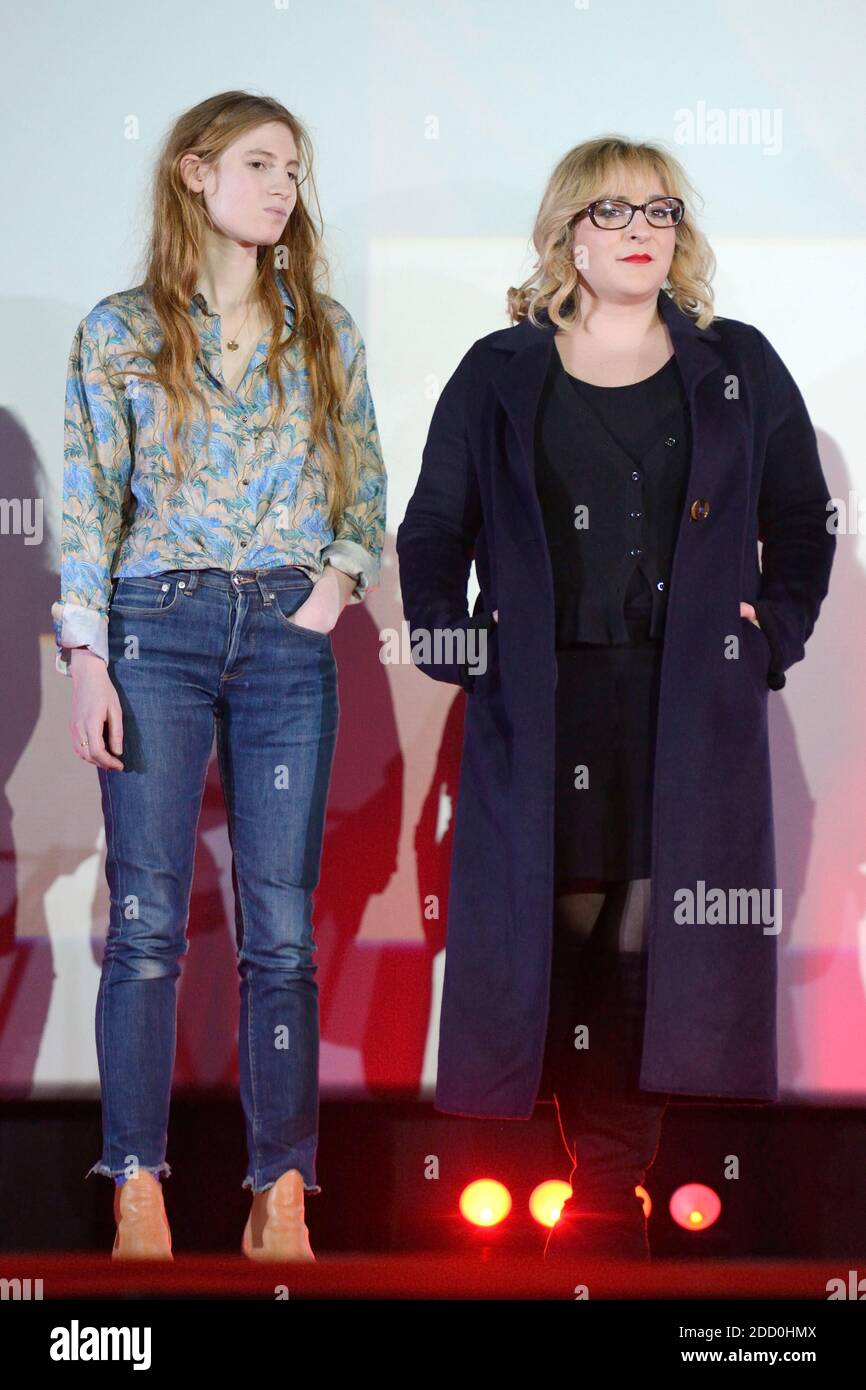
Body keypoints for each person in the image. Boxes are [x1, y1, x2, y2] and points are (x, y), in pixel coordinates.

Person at [396, 135, 835, 1260]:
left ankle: (603, 1195)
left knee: (651, 949)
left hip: (685, 706)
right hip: (542, 702)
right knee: (562, 945)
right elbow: (433, 525)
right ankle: (575, 1172)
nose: (640, 229)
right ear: (564, 235)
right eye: (611, 211)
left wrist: (770, 632)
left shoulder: (732, 363)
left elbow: (799, 517)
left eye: (659, 209)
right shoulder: (499, 368)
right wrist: (454, 644)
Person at [51, 90, 386, 1261]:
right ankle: (136, 1184)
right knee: (145, 922)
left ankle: (277, 1190)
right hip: (156, 628)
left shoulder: (324, 329)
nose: (282, 184)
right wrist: (85, 657)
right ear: (195, 172)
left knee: (280, 934)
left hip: (286, 640)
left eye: (294, 165)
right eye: (258, 161)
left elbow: (364, 493)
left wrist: (329, 596)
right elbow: (89, 504)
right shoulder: (118, 330)